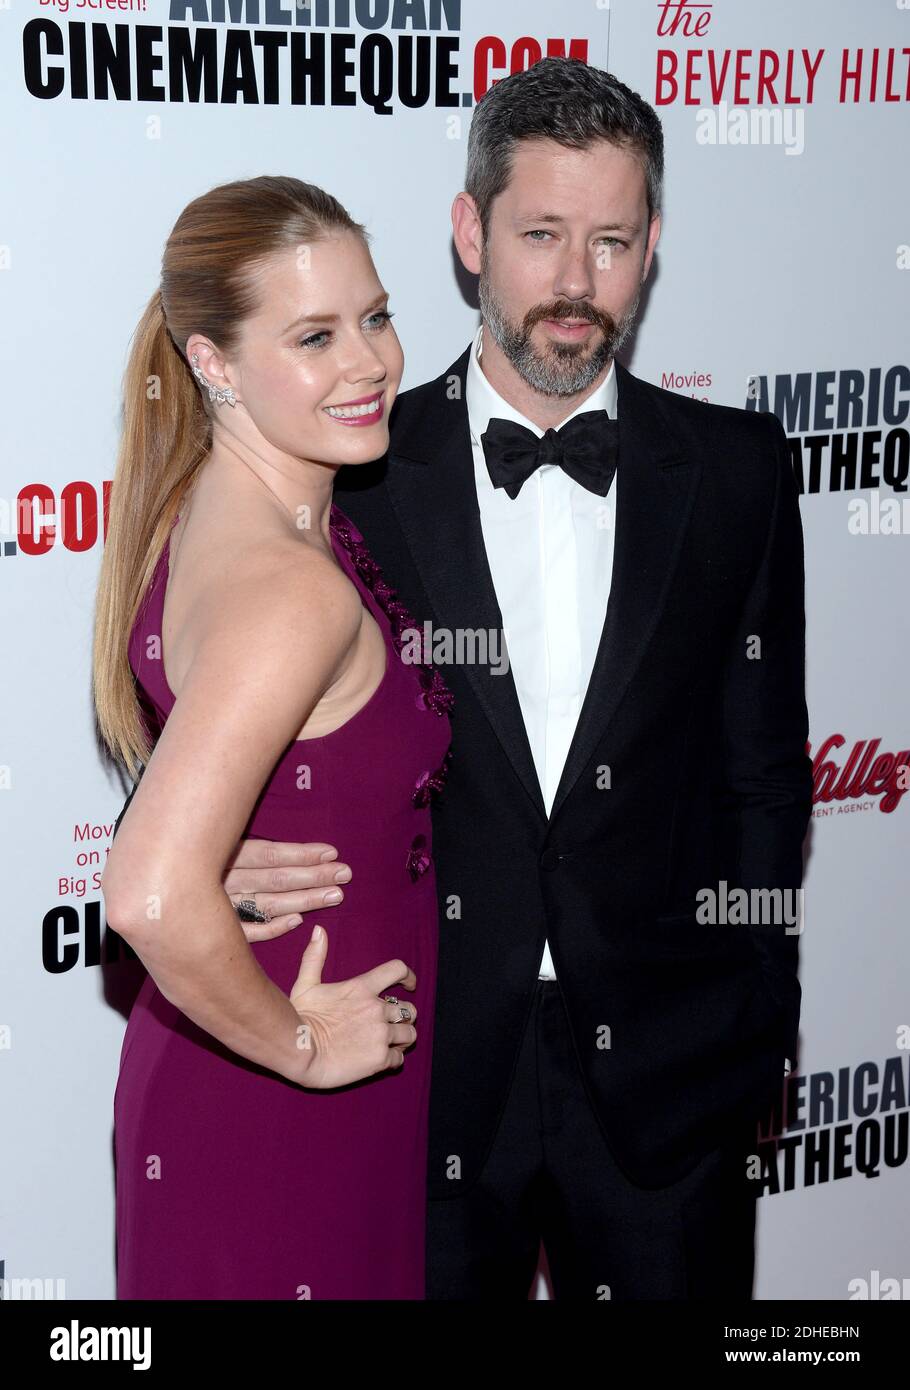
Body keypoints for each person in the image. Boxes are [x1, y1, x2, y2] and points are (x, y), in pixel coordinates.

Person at [114, 58, 812, 1300]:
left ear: (652, 246)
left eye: (609, 240)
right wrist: (204, 852)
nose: (572, 282)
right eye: (540, 234)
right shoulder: (359, 466)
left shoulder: (740, 470)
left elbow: (763, 772)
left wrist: (759, 1010)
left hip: (666, 1070)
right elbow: (228, 718)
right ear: (468, 234)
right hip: (424, 1067)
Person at [95, 175, 452, 1299]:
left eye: (377, 316)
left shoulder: (205, 501)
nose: (371, 362)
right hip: (289, 1088)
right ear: (212, 363)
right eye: (314, 336)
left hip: (244, 1052)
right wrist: (302, 1049)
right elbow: (148, 896)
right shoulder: (290, 589)